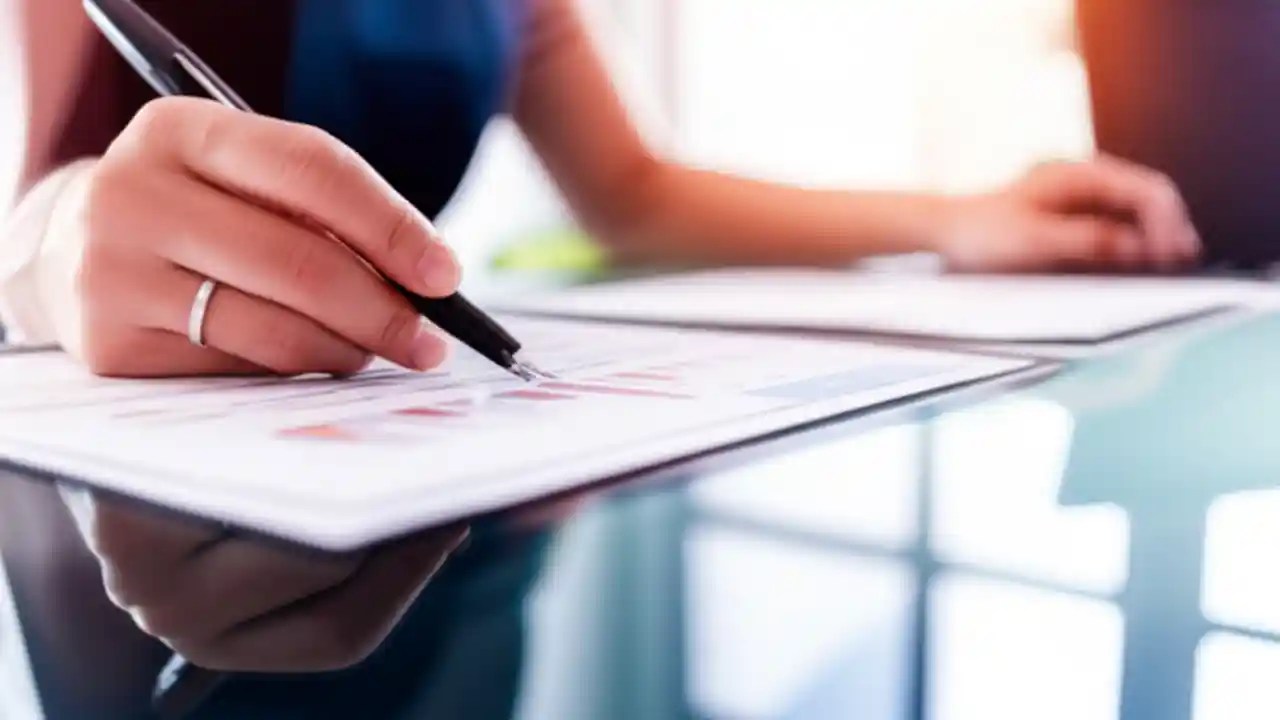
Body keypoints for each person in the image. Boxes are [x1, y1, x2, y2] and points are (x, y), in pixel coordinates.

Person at [0, 0, 1201, 698]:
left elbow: (631, 193)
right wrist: (63, 242)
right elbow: (38, 203)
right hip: (150, 570)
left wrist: (956, 218)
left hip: (449, 558)